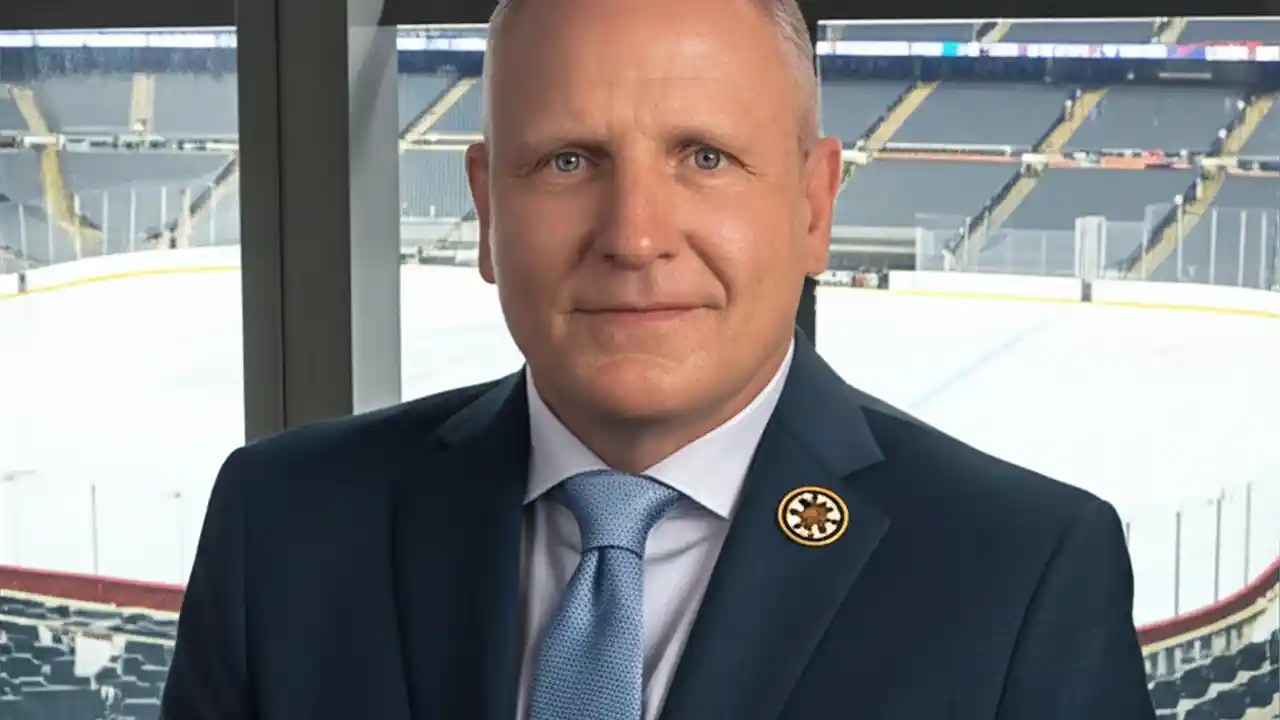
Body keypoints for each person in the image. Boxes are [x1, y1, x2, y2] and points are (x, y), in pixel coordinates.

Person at [161, 0, 1157, 717]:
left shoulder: (1018, 573)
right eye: (567, 161)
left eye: (704, 157)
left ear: (813, 205)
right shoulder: (282, 526)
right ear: (485, 211)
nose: (633, 236)